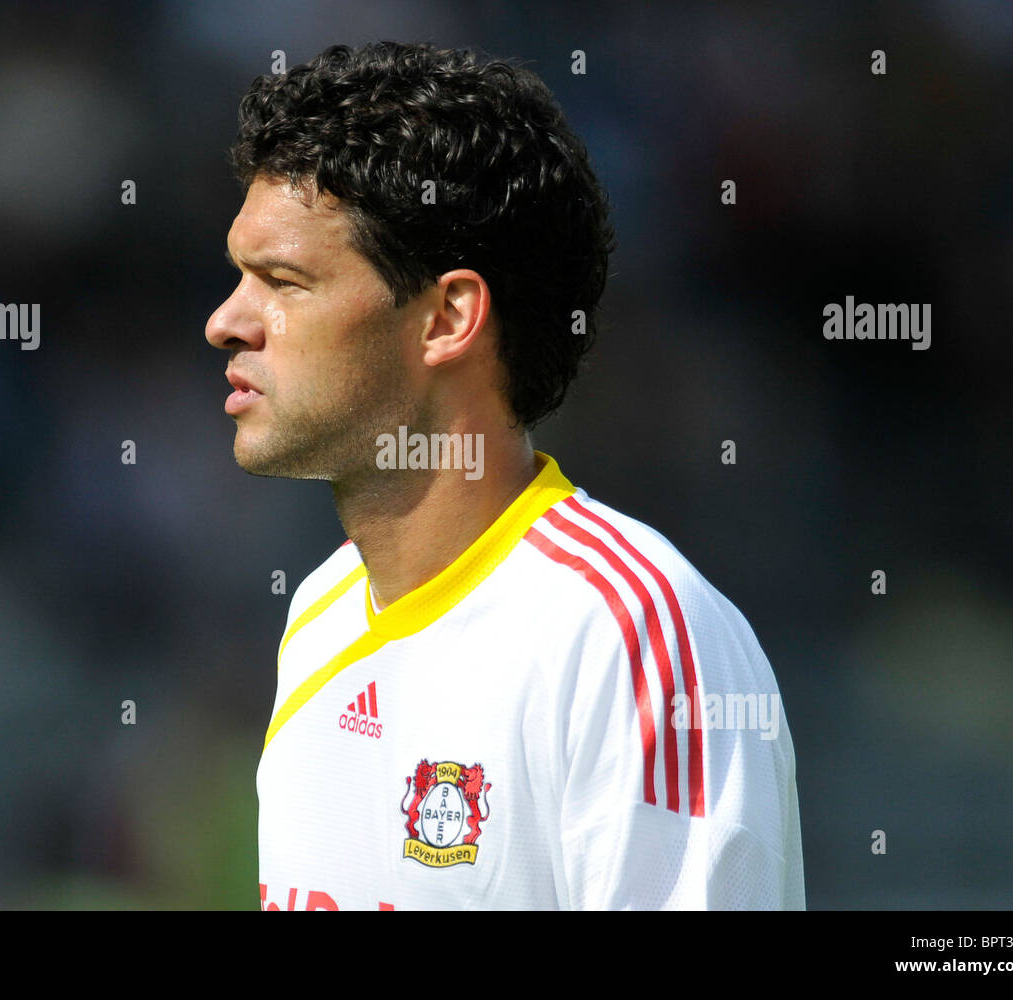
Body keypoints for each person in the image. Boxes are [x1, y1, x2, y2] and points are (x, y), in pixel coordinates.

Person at [206, 41, 804, 909]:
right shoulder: (319, 615)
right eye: (238, 277)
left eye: (284, 281)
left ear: (447, 318)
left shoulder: (628, 637)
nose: (228, 321)